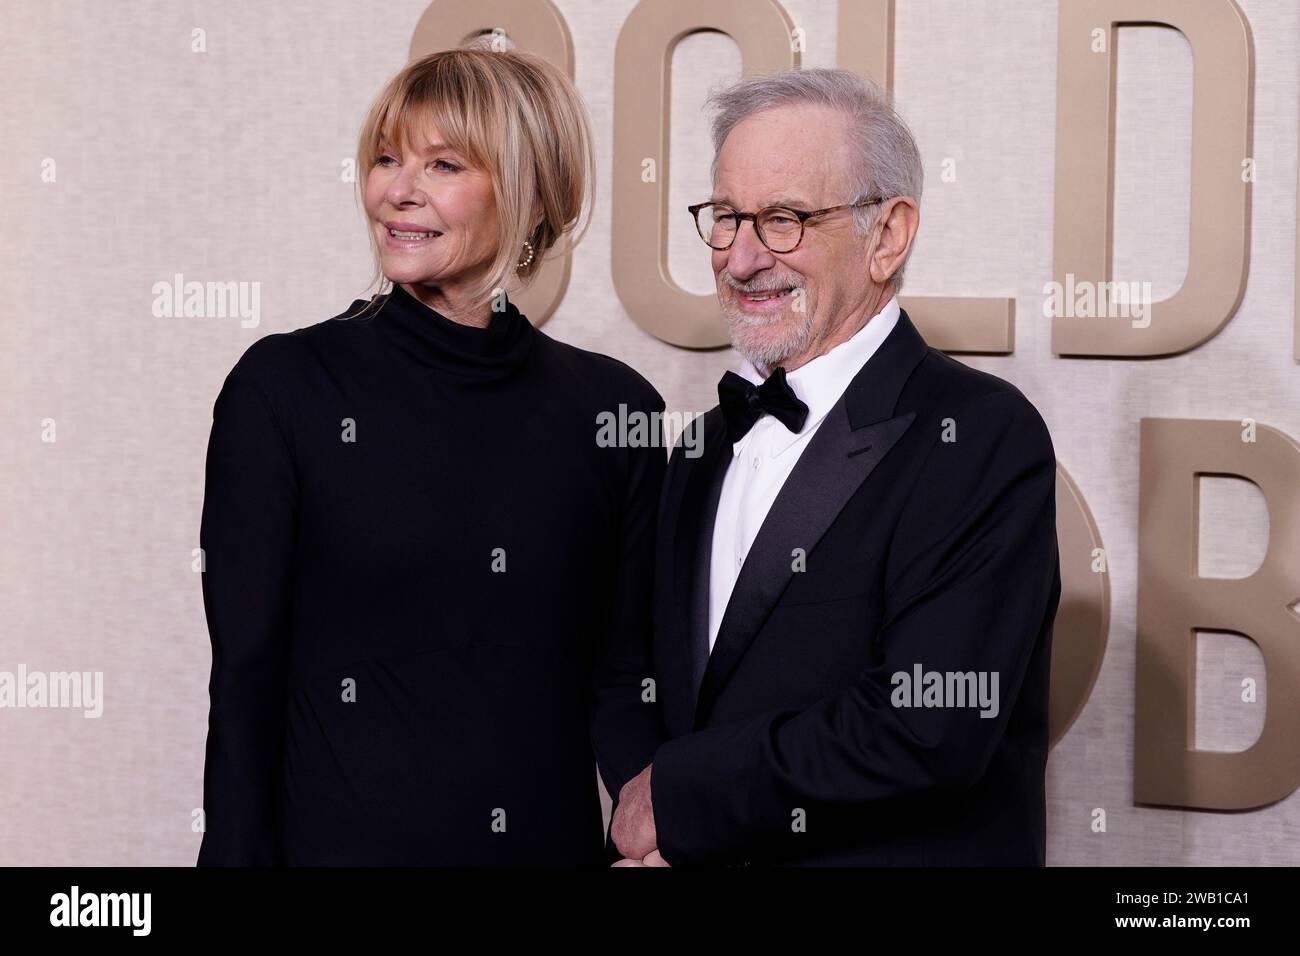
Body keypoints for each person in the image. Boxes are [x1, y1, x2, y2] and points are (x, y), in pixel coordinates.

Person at [197, 47, 664, 865]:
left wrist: (663, 830)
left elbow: (623, 679)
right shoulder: (285, 390)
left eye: (443, 164)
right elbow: (244, 683)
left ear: (530, 190)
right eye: (385, 157)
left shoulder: (614, 412)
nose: (396, 190)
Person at [611, 68, 1060, 866]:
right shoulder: (698, 446)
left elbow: (928, 725)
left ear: (887, 235)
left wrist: (679, 797)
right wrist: (648, 824)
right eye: (726, 218)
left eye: (784, 219)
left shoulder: (982, 437)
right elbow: (631, 674)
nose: (743, 258)